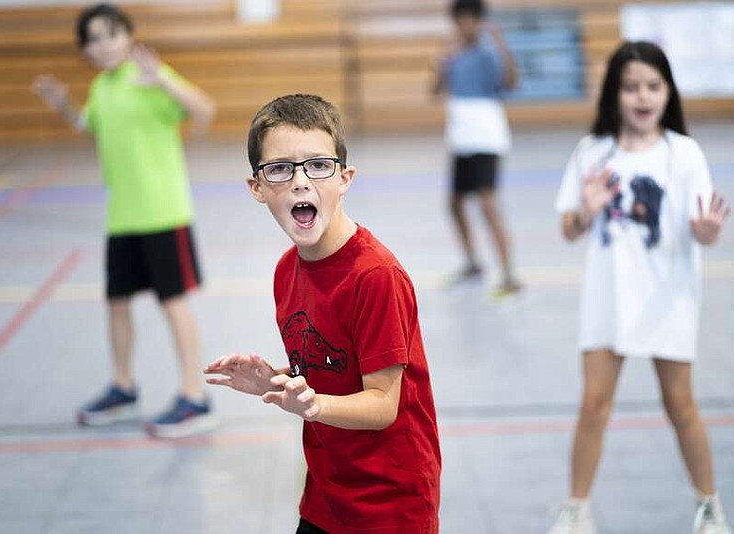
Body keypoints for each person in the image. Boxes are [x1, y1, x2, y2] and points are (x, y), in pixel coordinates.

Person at [203, 94, 441, 533]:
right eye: (279, 168)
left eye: (317, 165)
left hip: (391, 505)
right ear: (256, 187)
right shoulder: (286, 272)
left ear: (344, 177)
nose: (299, 181)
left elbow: (383, 404)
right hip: (326, 495)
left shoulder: (375, 276)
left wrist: (311, 406)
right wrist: (271, 382)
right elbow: (327, 367)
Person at [548, 41, 733, 534]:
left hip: (667, 297)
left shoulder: (684, 154)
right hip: (607, 299)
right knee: (594, 404)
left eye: (653, 86)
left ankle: (709, 507)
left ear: (669, 92)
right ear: (615, 93)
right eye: (631, 87)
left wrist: (707, 233)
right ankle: (576, 511)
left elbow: (700, 225)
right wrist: (586, 209)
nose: (642, 97)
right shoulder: (594, 151)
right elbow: (569, 229)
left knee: (680, 404)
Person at [32, 3, 217, 439]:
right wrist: (63, 105)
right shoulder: (102, 87)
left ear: (129, 36)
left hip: (163, 213)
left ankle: (196, 397)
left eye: (112, 34)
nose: (105, 44)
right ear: (86, 49)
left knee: (173, 303)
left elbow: (205, 111)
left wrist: (166, 83)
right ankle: (123, 387)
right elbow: (88, 125)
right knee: (116, 302)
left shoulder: (151, 77)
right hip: (122, 217)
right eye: (94, 39)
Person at [432, 0, 521, 297]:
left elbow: (510, 82)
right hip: (461, 136)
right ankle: (472, 264)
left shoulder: (489, 53)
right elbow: (435, 91)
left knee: (487, 204)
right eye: (460, 20)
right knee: (455, 203)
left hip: (485, 135)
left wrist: (502, 46)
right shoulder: (454, 55)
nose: (465, 25)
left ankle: (509, 274)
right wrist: (441, 64)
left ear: (479, 22)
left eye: (470, 19)